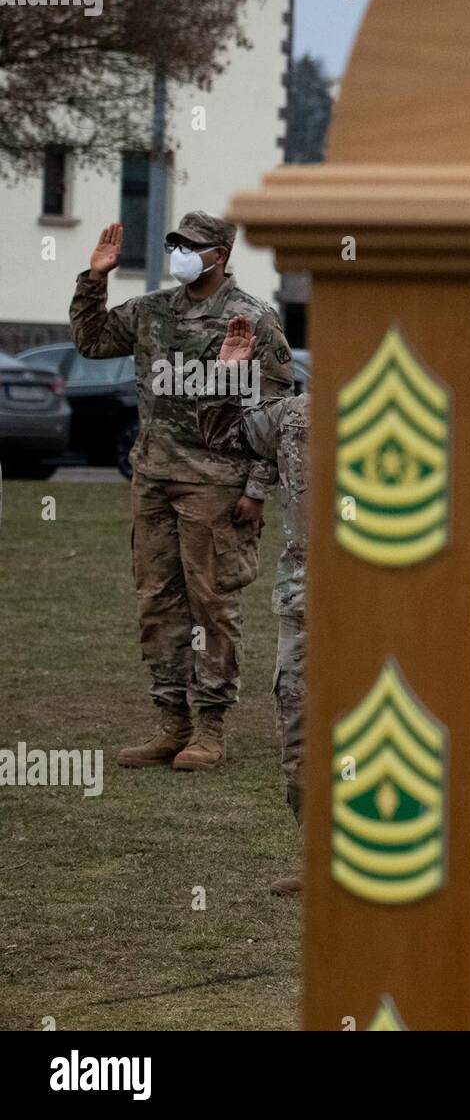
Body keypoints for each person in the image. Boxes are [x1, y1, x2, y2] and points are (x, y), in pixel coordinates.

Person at [70, 212, 295, 770]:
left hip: (217, 485)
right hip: (153, 477)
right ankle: (171, 723)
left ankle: (210, 729)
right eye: (174, 244)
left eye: (191, 246)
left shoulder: (253, 319)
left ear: (220, 252)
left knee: (212, 605)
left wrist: (258, 488)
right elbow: (91, 341)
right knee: (156, 602)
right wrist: (94, 279)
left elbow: (278, 411)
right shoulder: (151, 311)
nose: (180, 253)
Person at [242, 393, 309, 896]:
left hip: (390, 600)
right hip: (306, 599)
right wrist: (233, 372)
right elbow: (223, 433)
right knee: (299, 725)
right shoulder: (293, 413)